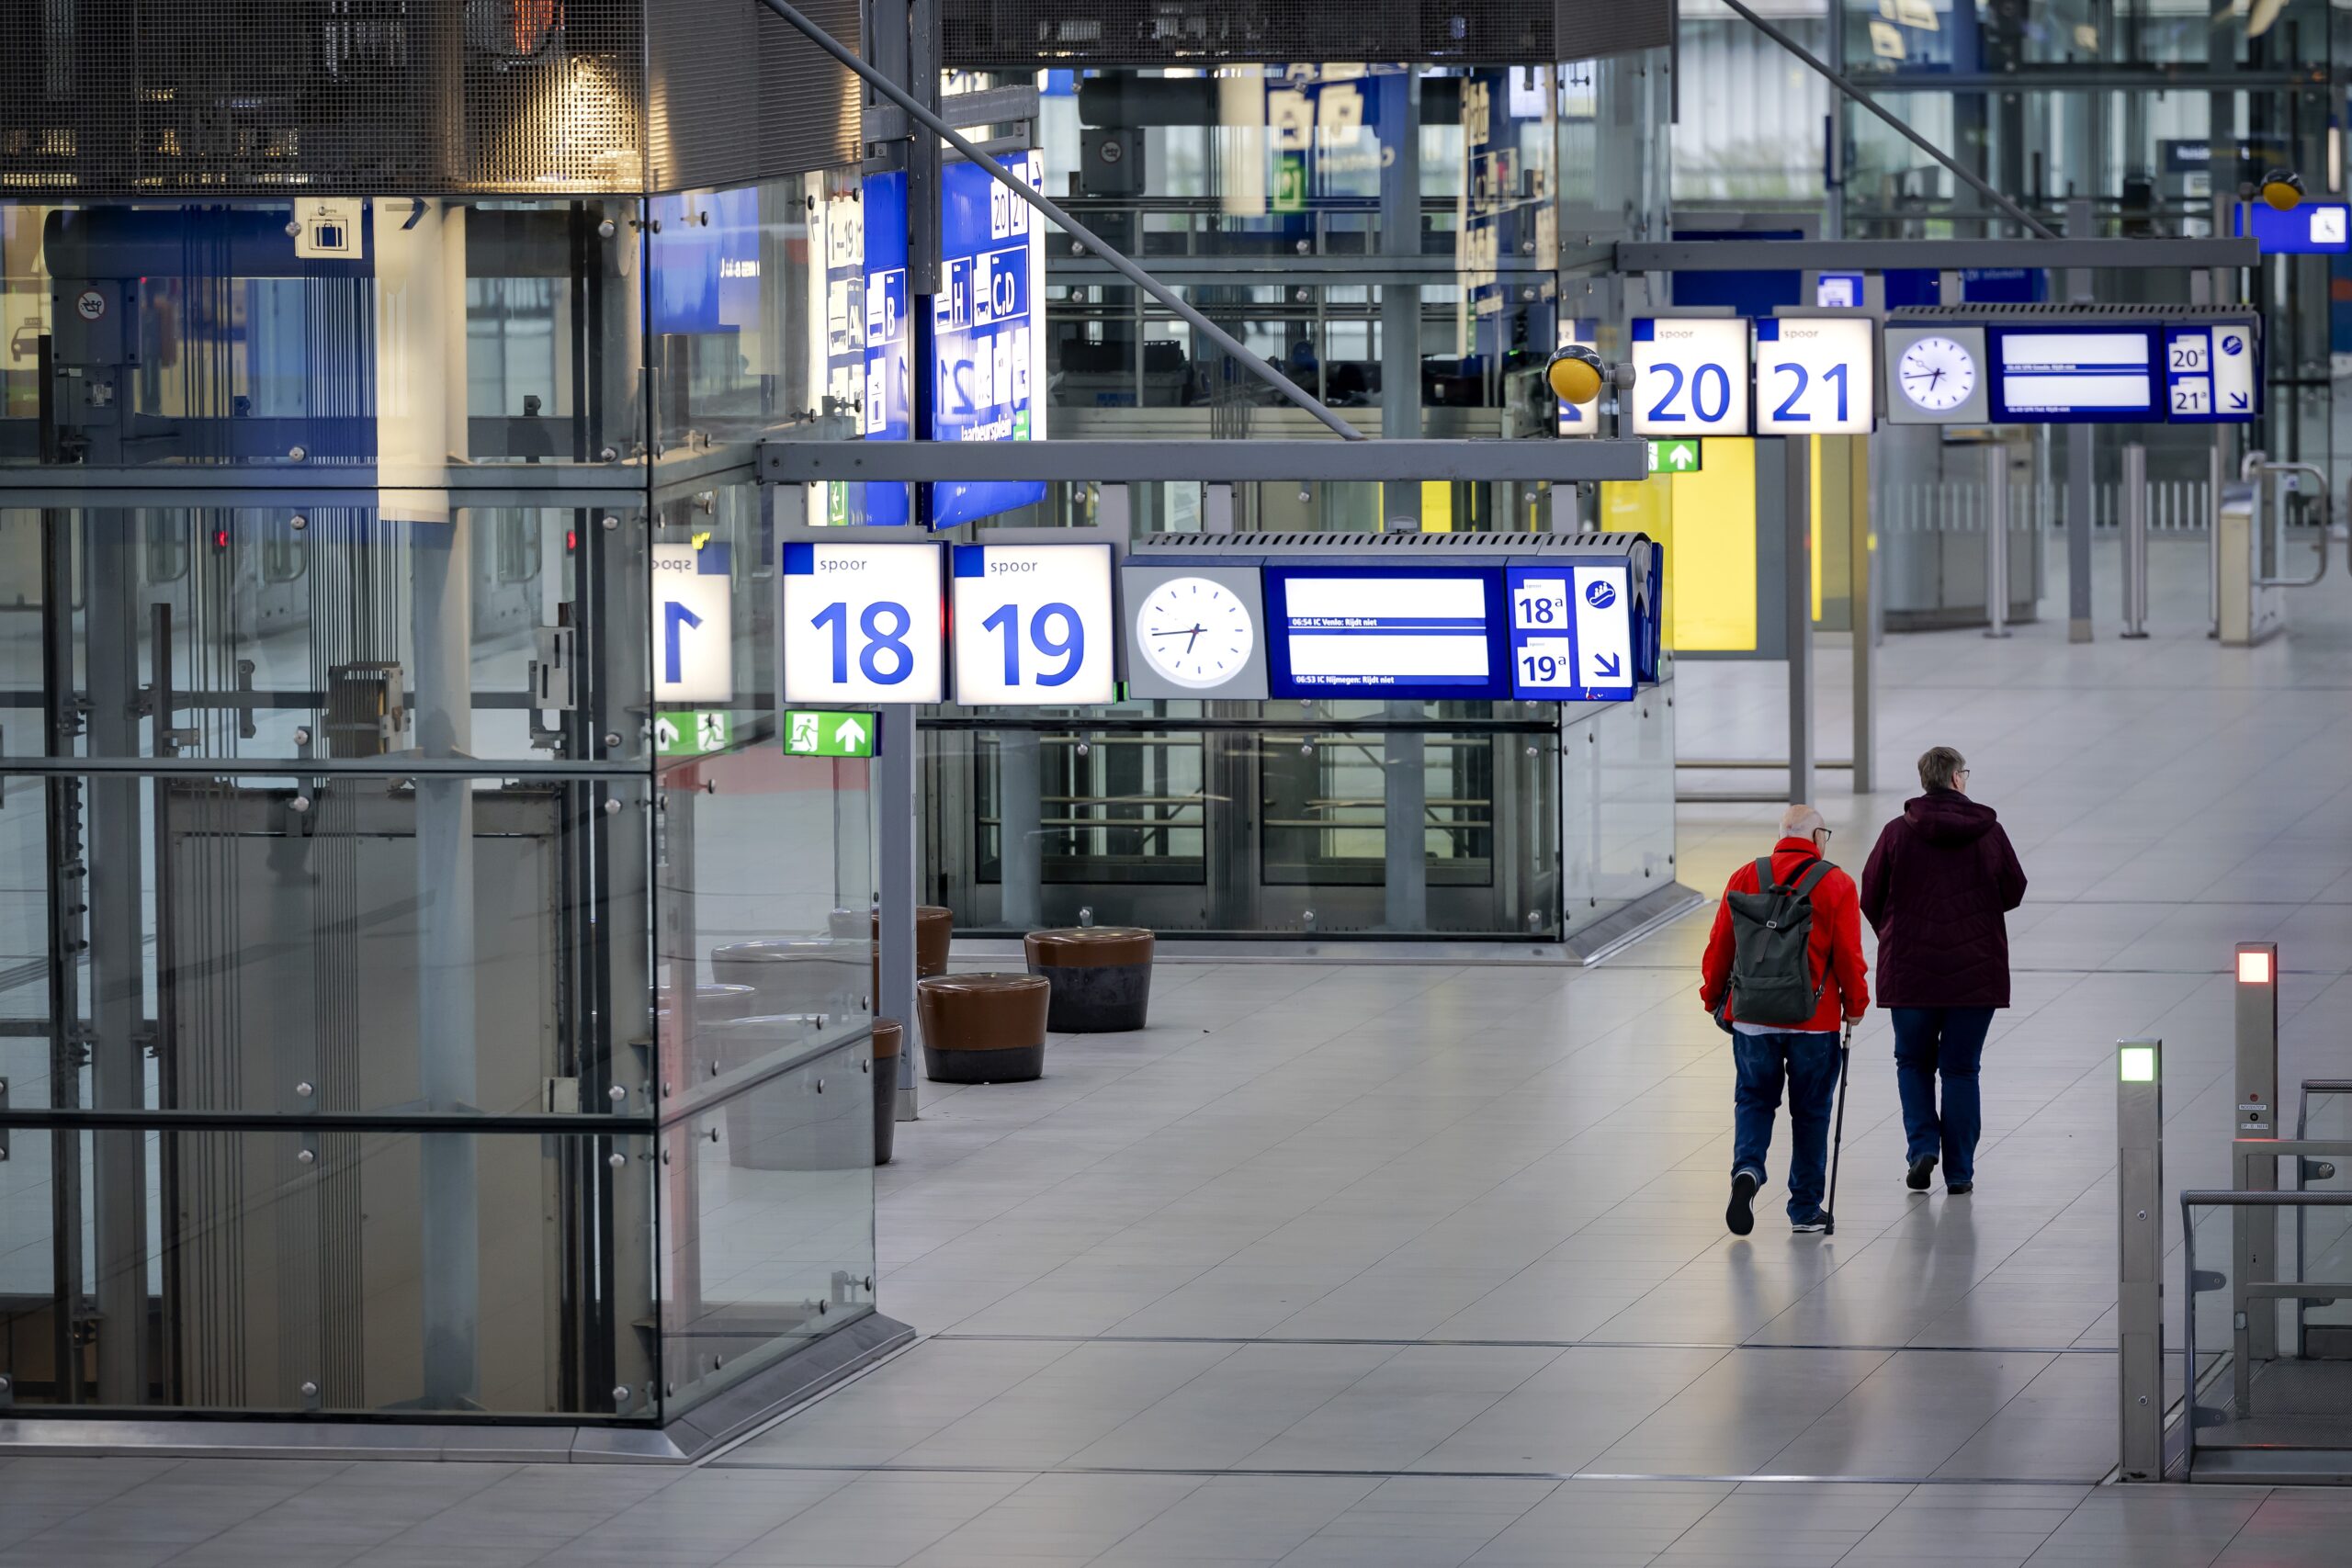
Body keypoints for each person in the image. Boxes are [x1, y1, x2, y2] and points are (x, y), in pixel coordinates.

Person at [1860, 746, 2029, 1198]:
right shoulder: (1989, 833)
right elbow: (2014, 888)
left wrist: (1893, 935)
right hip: (1975, 978)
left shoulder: (1897, 833)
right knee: (1960, 1070)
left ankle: (1921, 1148)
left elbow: (1869, 894)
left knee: (1913, 1063)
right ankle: (1960, 1173)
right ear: (1956, 780)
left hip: (1910, 976)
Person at [1700, 805, 1870, 1235]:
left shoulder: (1745, 876)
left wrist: (1713, 996)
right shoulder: (1836, 883)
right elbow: (1849, 956)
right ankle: (1805, 1208)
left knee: (1754, 1099)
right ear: (1817, 838)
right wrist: (1856, 1004)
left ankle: (1748, 1172)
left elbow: (1721, 943)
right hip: (1814, 1021)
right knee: (1811, 1112)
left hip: (1753, 1016)